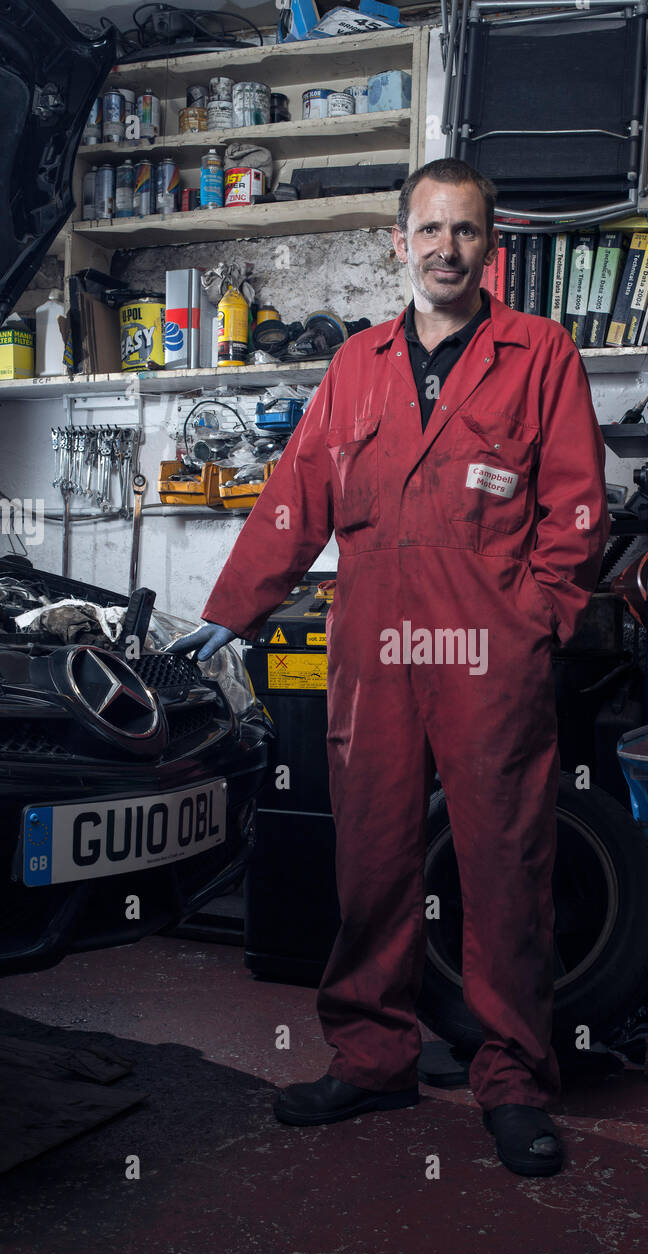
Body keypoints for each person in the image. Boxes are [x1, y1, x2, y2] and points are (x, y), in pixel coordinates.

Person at [169, 157, 610, 1178]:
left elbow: (577, 506)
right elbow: (295, 500)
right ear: (398, 243)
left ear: (488, 248)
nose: (446, 248)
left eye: (466, 231)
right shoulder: (356, 365)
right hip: (371, 650)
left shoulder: (539, 353)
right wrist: (233, 614)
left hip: (487, 654)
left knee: (504, 868)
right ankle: (372, 1055)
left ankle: (513, 1079)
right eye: (430, 229)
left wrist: (534, 618)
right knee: (369, 856)